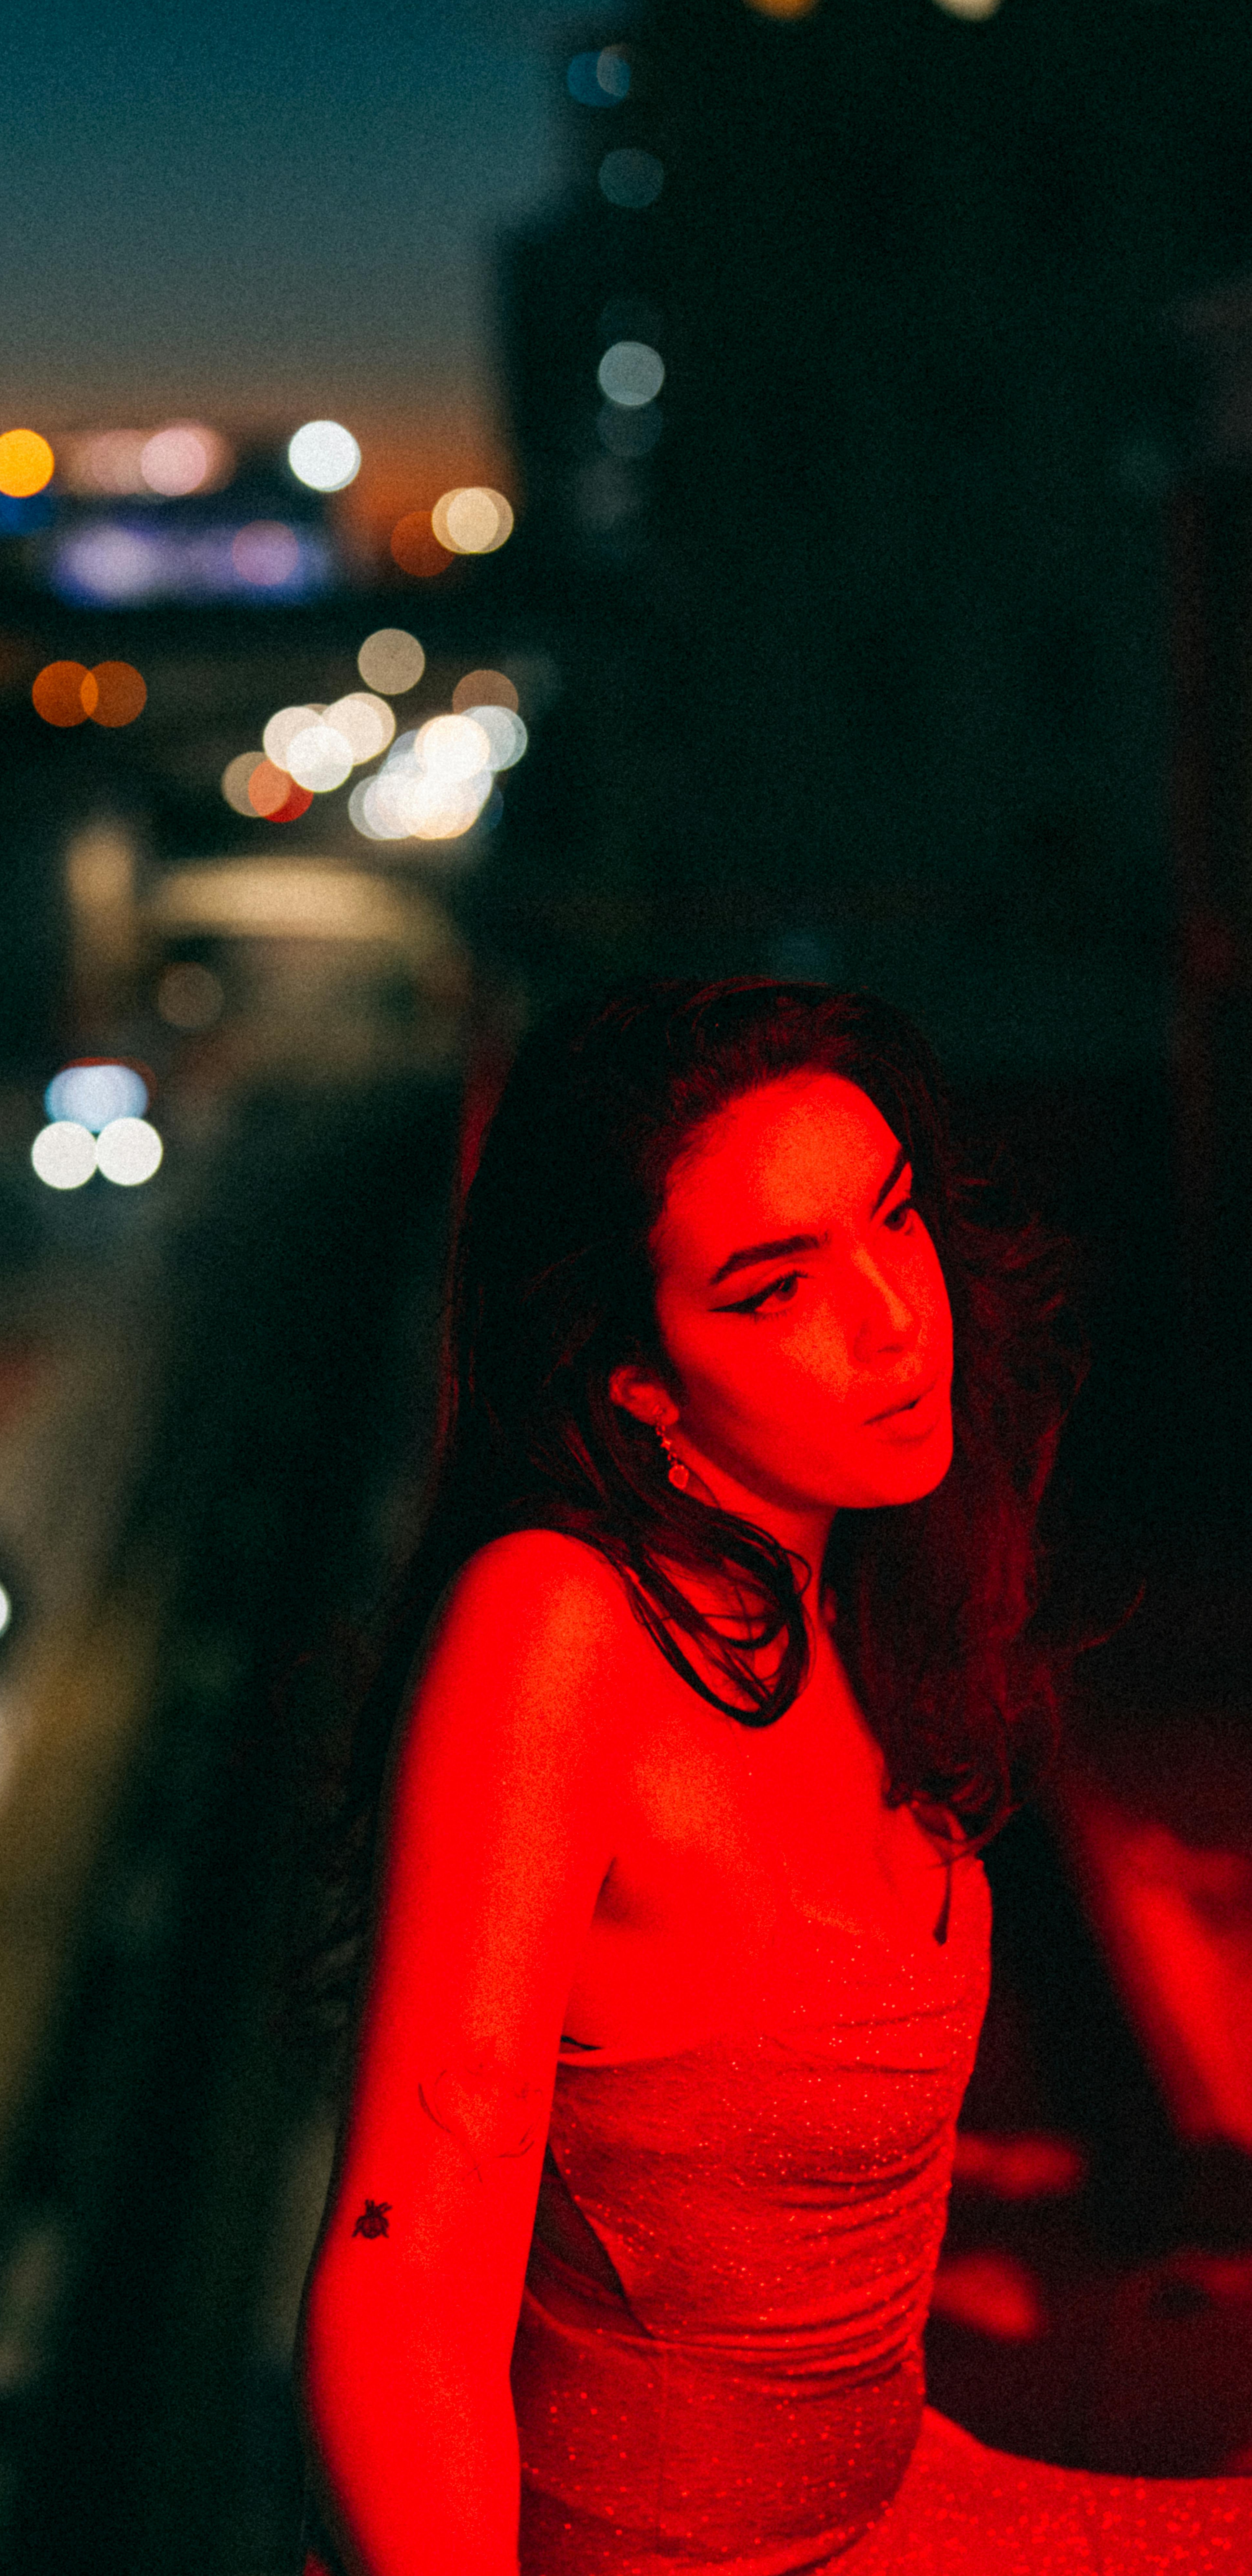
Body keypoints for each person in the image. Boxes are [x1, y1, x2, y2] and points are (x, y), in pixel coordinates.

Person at [291, 978, 1252, 2574]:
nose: (892, 1314)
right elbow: (404, 2267)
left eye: (893, 1217)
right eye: (774, 1286)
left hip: (890, 2498)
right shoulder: (561, 1623)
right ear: (639, 1380)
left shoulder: (847, 1595)